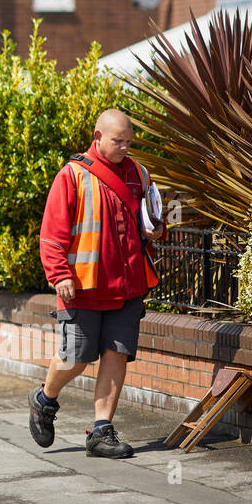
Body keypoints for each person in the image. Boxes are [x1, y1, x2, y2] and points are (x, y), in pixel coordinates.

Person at [28, 108, 164, 458]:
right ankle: (44, 399)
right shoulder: (71, 176)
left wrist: (158, 229)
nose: (124, 148)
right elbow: (52, 235)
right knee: (77, 359)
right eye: (118, 141)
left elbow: (154, 219)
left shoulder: (140, 174)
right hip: (83, 286)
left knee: (117, 354)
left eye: (129, 142)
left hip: (127, 286)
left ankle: (101, 431)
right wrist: (59, 276)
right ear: (98, 136)